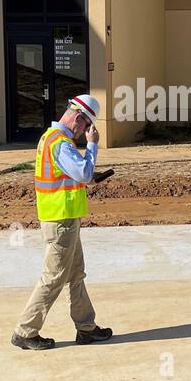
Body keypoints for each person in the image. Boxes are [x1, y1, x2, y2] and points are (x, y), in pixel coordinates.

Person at [11, 93, 113, 351]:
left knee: (75, 274)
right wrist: (92, 145)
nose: (84, 132)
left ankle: (86, 328)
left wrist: (85, 171)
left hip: (64, 218)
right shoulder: (62, 144)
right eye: (86, 127)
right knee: (54, 277)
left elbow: (77, 176)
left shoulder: (51, 138)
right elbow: (85, 173)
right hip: (61, 220)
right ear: (79, 118)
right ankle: (25, 331)